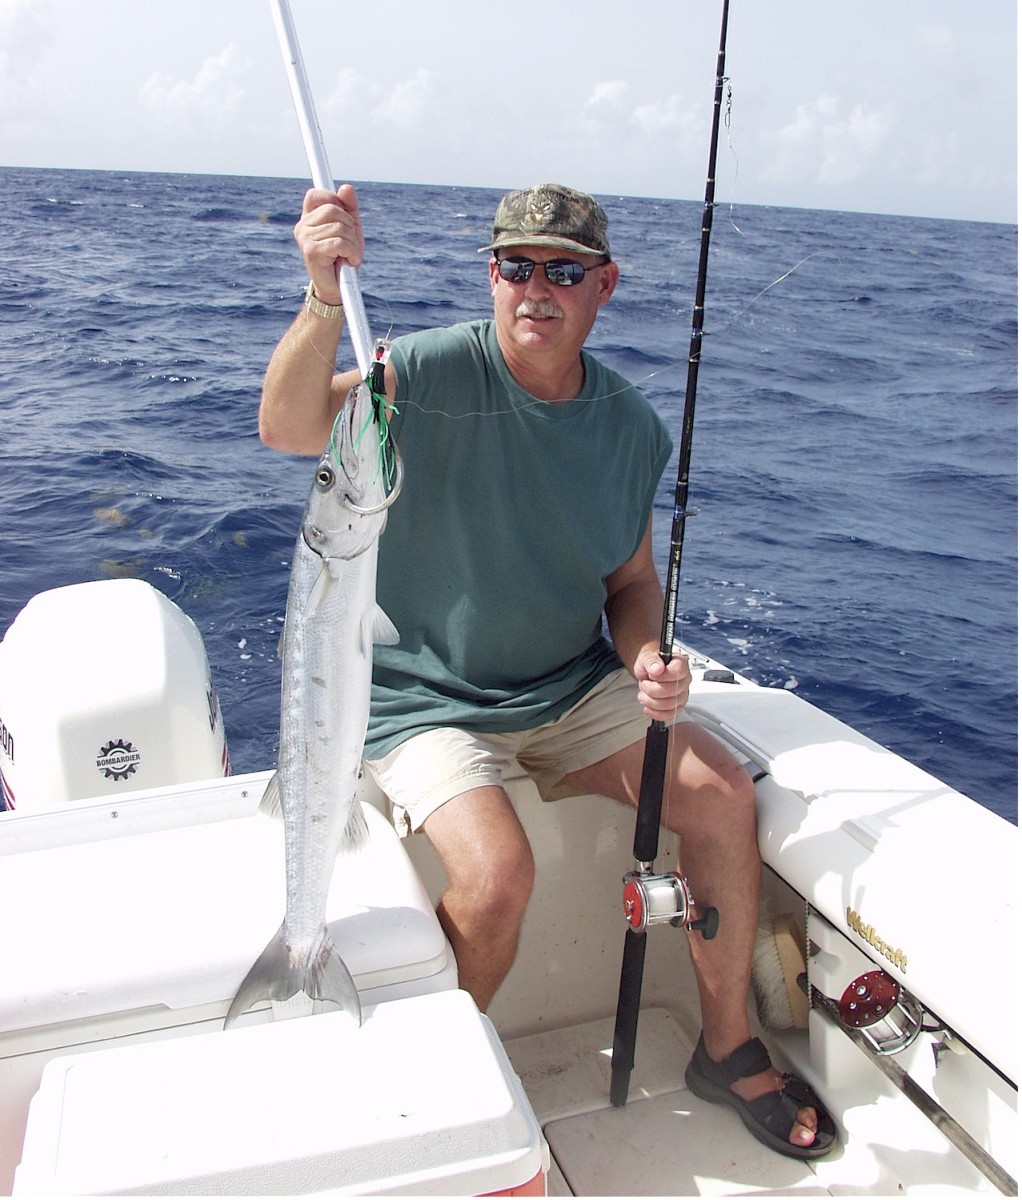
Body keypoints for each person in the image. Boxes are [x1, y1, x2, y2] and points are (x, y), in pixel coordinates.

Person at [259, 181, 835, 1161]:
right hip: (421, 699)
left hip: (566, 689)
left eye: (561, 271)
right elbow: (289, 428)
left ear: (600, 286)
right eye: (514, 266)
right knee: (495, 878)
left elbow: (628, 583)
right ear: (490, 276)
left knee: (722, 796)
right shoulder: (427, 370)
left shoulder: (626, 427)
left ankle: (726, 1043)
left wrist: (646, 653)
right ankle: (440, 1074)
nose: (535, 288)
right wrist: (322, 295)